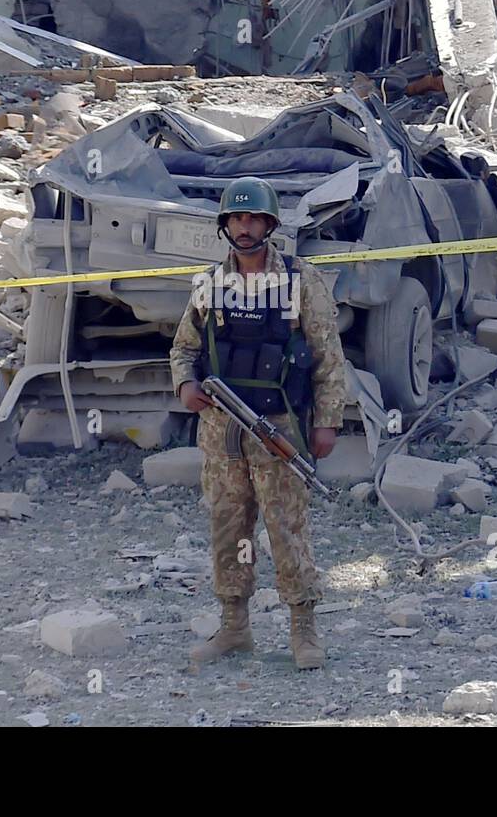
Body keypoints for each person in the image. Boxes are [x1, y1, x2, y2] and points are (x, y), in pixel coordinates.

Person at [169, 177, 347, 670]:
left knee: (286, 528)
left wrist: (327, 422)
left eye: (253, 219)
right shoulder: (209, 284)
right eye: (236, 219)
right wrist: (186, 386)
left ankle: (303, 629)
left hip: (279, 426)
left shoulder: (299, 280)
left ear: (269, 224)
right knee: (231, 529)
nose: (244, 228)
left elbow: (328, 357)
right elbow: (184, 348)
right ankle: (234, 627)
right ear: (225, 224)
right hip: (222, 430)